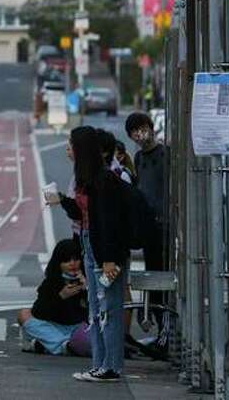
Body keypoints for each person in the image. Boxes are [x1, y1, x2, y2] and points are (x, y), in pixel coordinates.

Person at [57, 125, 131, 383]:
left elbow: (109, 223)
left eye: (71, 143)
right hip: (90, 244)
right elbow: (84, 216)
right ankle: (100, 364)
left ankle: (110, 366)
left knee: (108, 308)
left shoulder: (104, 179)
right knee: (96, 307)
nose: (68, 147)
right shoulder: (88, 178)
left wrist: (109, 258)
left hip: (104, 250)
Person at [127, 111, 169, 317]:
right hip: (147, 224)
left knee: (163, 272)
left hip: (165, 224)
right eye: (134, 132)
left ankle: (163, 319)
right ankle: (152, 314)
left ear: (151, 129)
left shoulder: (165, 154)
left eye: (143, 129)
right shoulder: (138, 157)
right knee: (151, 269)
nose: (140, 135)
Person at [18, 238, 91, 355]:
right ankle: (63, 346)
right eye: (67, 261)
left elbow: (96, 312)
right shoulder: (51, 281)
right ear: (59, 263)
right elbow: (38, 312)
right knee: (24, 314)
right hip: (53, 328)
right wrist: (61, 297)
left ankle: (43, 345)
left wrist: (87, 289)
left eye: (76, 259)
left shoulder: (88, 280)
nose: (72, 264)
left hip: (78, 328)